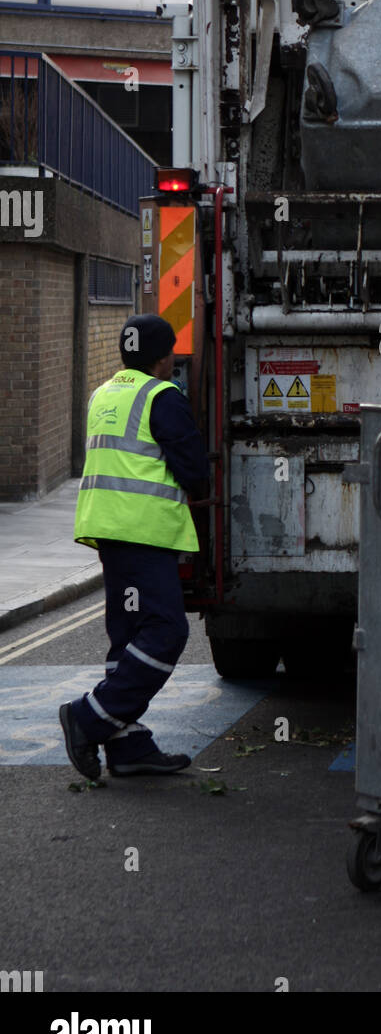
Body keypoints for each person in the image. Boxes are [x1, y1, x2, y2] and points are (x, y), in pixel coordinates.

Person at [59, 313, 210, 779]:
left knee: (126, 637)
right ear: (165, 358)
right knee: (167, 631)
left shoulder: (103, 394)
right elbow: (196, 471)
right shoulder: (163, 397)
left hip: (108, 531)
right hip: (144, 534)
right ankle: (89, 717)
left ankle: (128, 748)